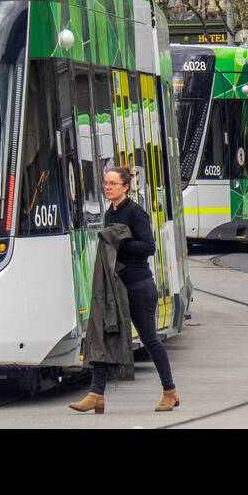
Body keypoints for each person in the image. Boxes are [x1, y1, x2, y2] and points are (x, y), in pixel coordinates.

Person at [69, 166, 179, 414]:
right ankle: (96, 395)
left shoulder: (135, 213)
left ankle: (170, 392)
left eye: (113, 183)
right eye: (106, 183)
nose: (108, 187)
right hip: (116, 288)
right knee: (106, 335)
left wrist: (120, 243)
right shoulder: (110, 214)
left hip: (139, 285)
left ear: (125, 187)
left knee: (150, 339)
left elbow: (148, 247)